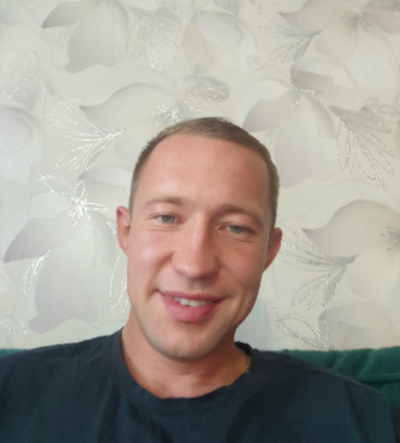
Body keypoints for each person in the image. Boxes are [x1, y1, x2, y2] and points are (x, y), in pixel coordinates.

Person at [0, 117, 398, 441]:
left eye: (235, 228)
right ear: (126, 231)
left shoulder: (360, 420)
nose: (194, 265)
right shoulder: (12, 393)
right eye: (167, 218)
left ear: (269, 251)